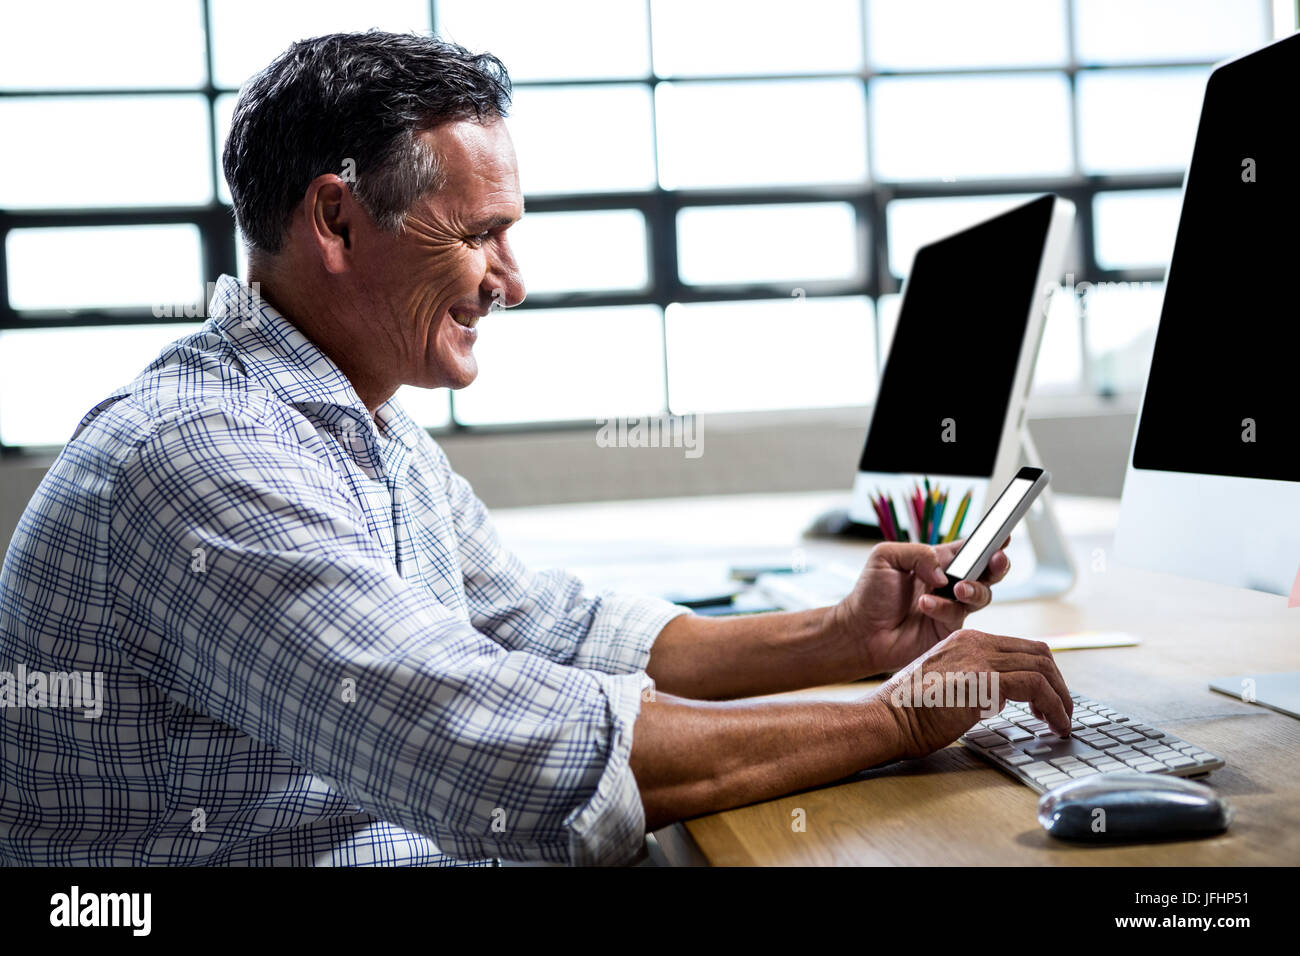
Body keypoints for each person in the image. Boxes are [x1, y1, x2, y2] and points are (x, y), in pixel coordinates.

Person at [0, 32, 1070, 866]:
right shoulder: (205, 456)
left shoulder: (359, 426)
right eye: (476, 234)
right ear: (336, 219)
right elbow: (493, 749)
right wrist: (900, 714)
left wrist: (840, 639)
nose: (512, 279)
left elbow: (555, 631)